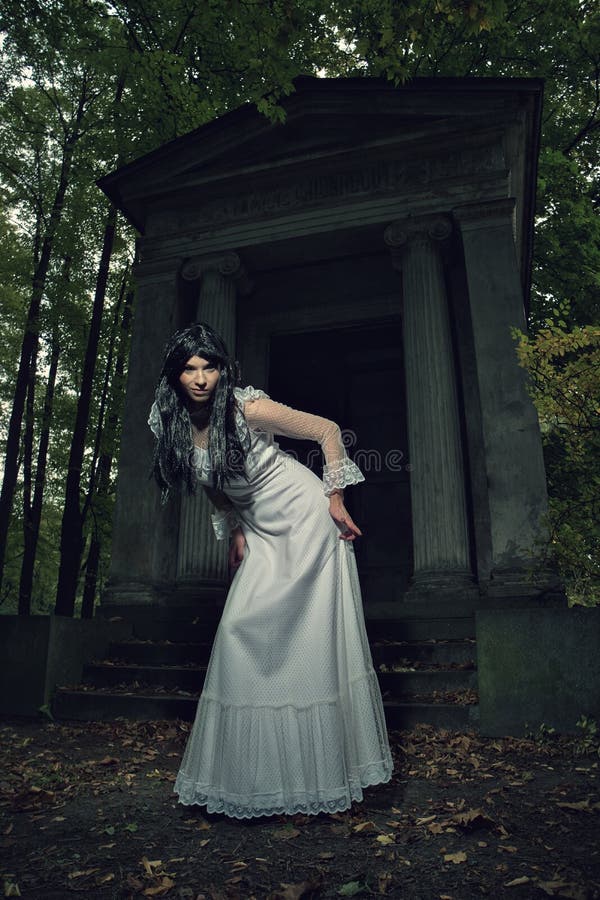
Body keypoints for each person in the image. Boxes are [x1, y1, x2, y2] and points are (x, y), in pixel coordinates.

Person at [148, 322, 394, 820]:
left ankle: (316, 779)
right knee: (241, 629)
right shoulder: (168, 422)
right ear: (175, 376)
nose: (200, 378)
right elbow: (212, 483)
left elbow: (326, 430)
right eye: (189, 369)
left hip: (305, 517)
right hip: (260, 531)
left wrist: (336, 498)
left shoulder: (246, 406)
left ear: (222, 370)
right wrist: (235, 529)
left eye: (209, 367)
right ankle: (251, 781)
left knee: (308, 645)